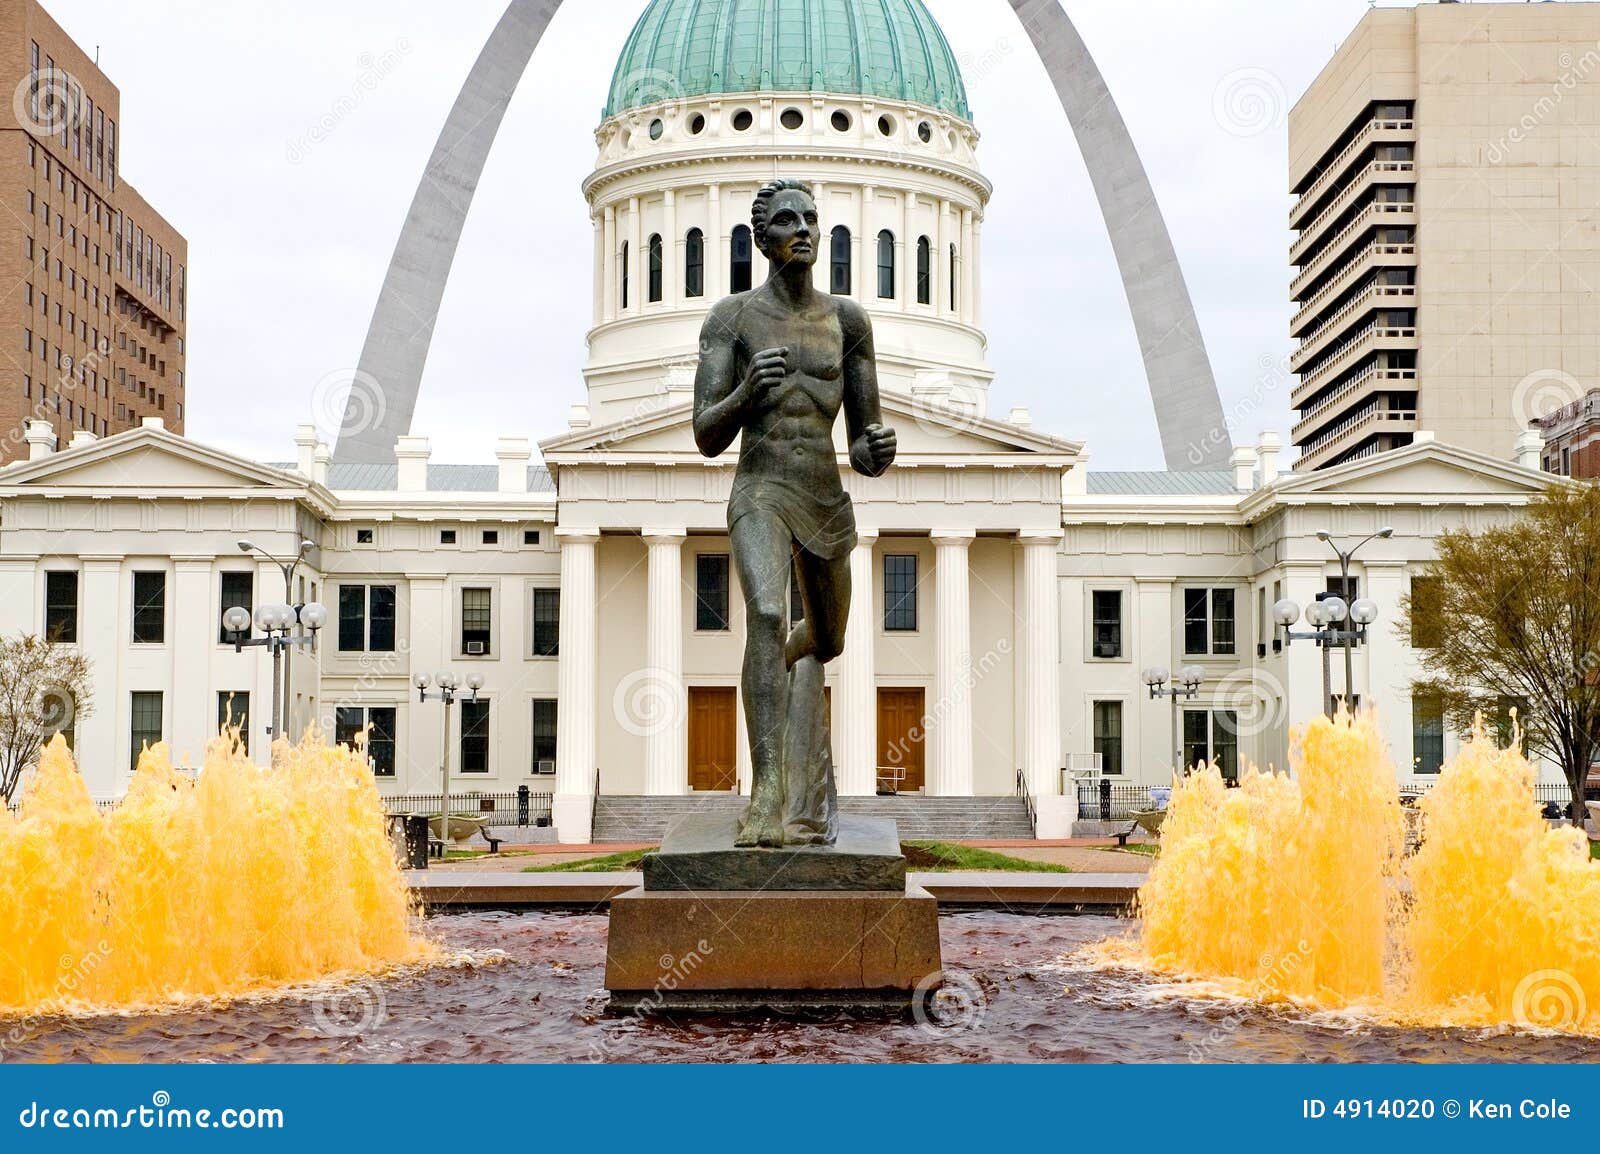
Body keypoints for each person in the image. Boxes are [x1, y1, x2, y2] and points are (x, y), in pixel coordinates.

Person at [694, 179, 896, 847]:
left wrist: (877, 448)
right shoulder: (734, 319)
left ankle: (767, 670)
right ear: (762, 239)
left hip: (823, 495)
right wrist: (749, 393)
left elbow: (865, 441)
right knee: (767, 612)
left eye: (811, 218)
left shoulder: (849, 322)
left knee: (828, 639)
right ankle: (768, 794)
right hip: (760, 488)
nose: (804, 229)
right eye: (787, 221)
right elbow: (705, 433)